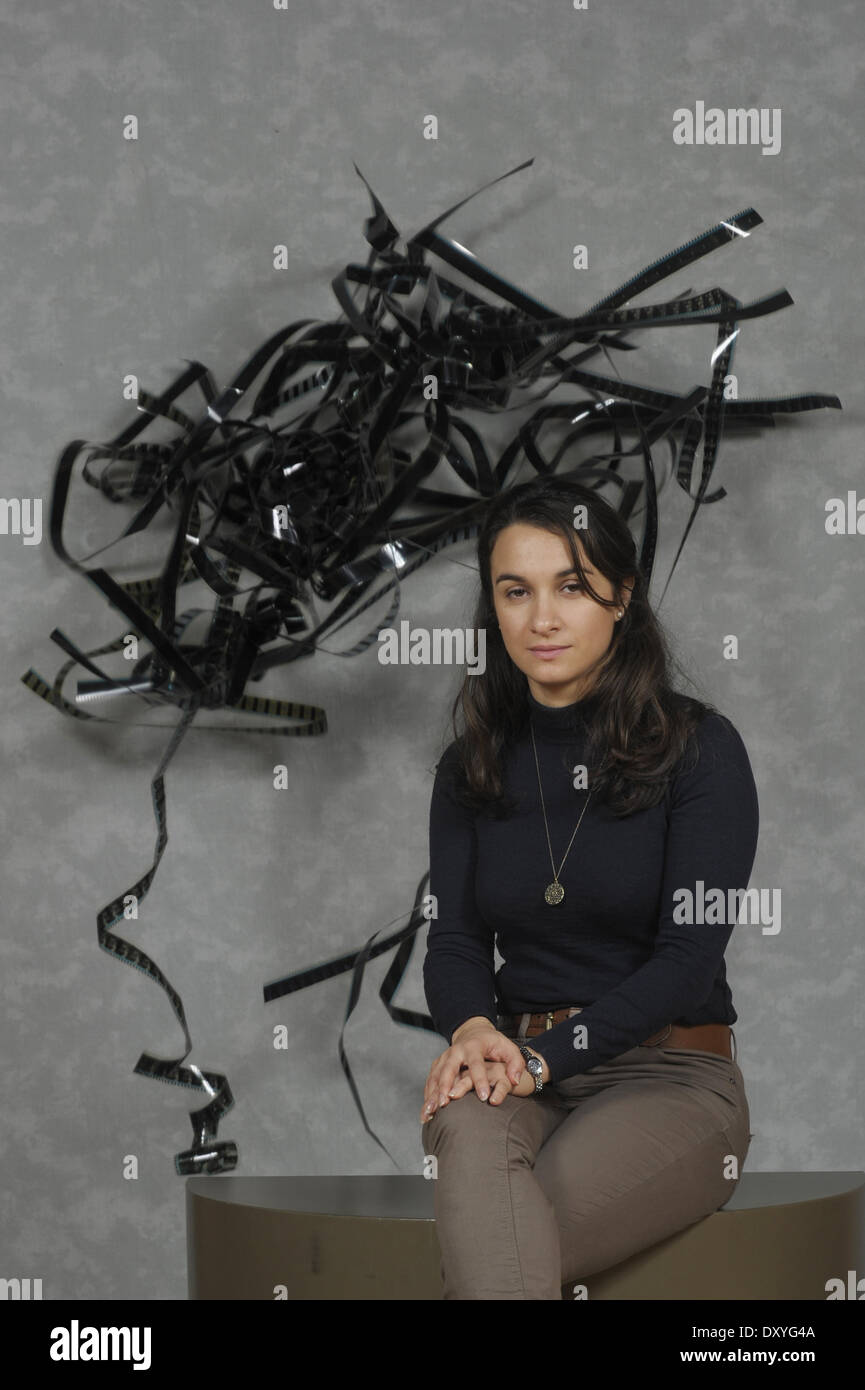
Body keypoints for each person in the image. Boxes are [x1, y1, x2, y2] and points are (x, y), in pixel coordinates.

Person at [418, 475, 758, 1300]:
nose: (540, 618)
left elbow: (684, 961)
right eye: (515, 590)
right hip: (521, 1070)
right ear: (492, 608)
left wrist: (541, 1057)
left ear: (620, 596)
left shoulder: (699, 752)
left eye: (570, 586)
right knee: (464, 1127)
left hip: (668, 1077)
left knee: (501, 1253)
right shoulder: (471, 766)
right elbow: (455, 941)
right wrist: (472, 1032)